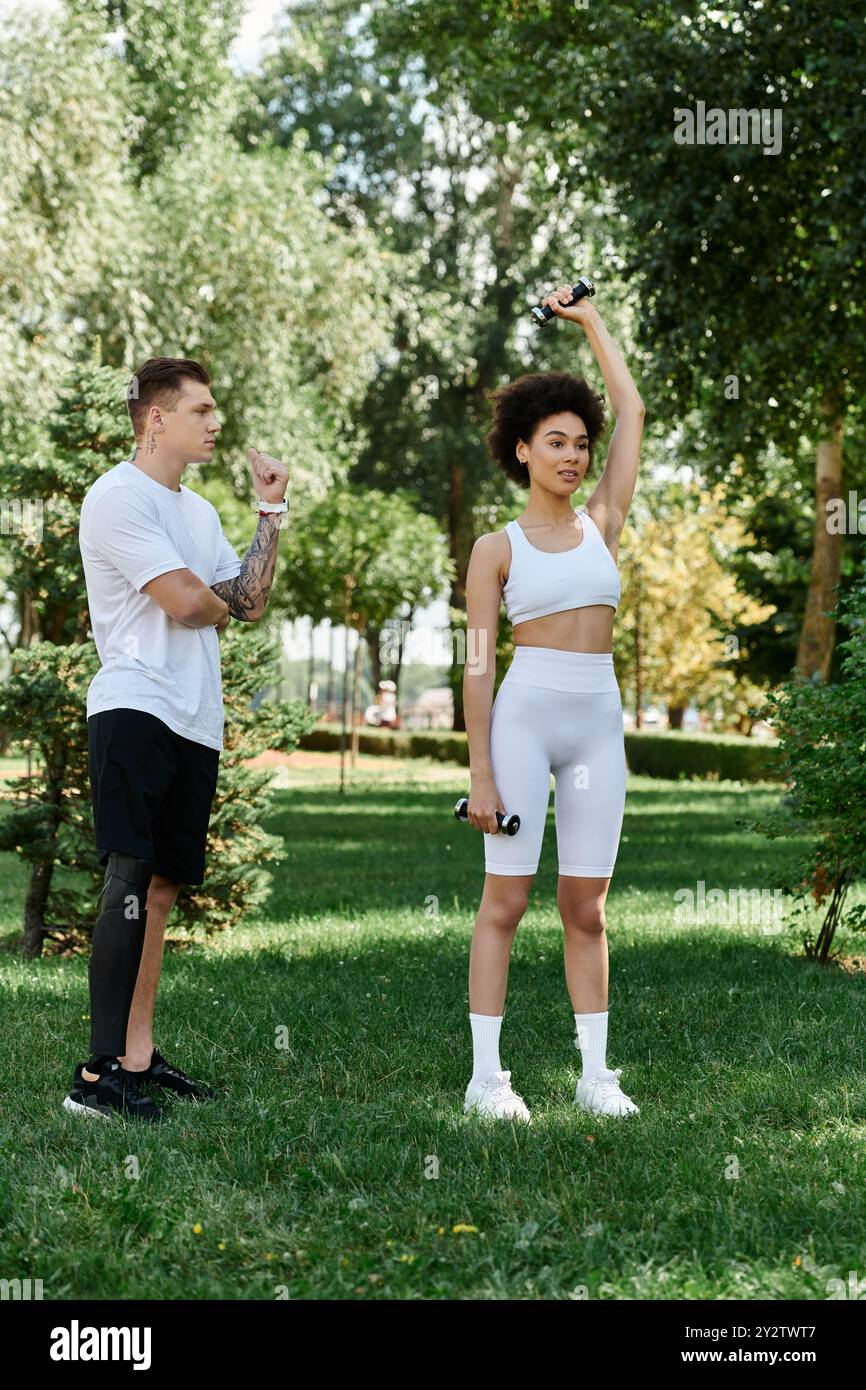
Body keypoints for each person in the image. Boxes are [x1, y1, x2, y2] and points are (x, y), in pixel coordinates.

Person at [65, 356, 289, 1122]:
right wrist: (210, 594)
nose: (216, 422)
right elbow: (192, 606)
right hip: (134, 705)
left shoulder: (196, 513)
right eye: (202, 410)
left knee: (161, 889)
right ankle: (94, 1081)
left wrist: (270, 512)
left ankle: (136, 1057)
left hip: (194, 718)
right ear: (157, 418)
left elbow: (246, 599)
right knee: (129, 876)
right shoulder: (116, 498)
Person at [462, 285, 645, 1123]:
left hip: (597, 725)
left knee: (586, 905)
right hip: (525, 721)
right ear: (523, 451)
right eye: (556, 443)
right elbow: (474, 666)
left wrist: (588, 321)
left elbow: (632, 407)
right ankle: (487, 1080)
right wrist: (483, 775)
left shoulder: (602, 522)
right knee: (506, 900)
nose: (573, 456)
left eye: (580, 443)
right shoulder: (496, 548)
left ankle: (595, 1075)